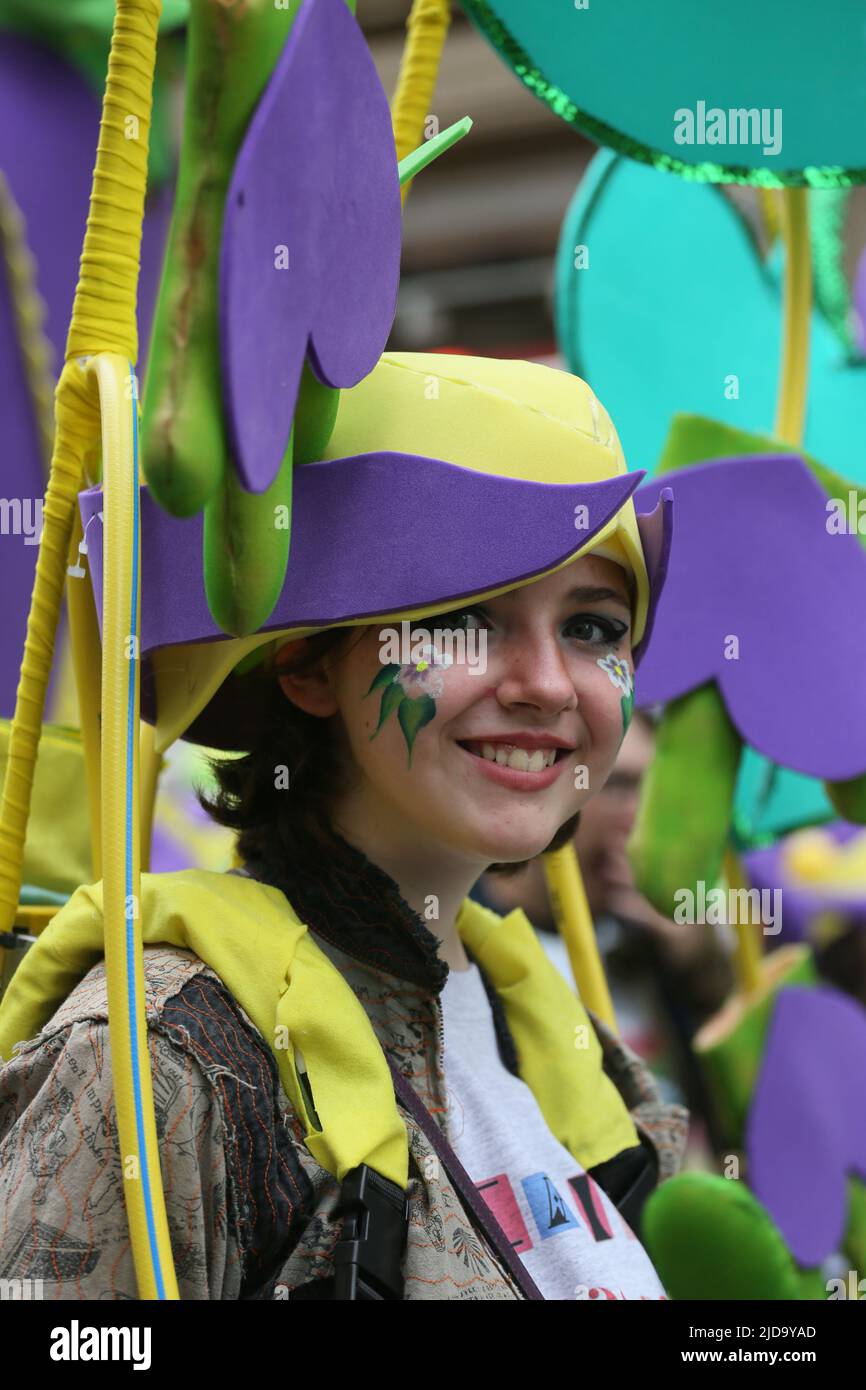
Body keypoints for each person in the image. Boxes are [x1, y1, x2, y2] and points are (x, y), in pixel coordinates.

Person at [0, 353, 686, 1300]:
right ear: (307, 669)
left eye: (595, 627)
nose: (546, 683)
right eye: (461, 618)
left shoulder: (567, 1041)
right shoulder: (161, 1056)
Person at [474, 710, 734, 1119]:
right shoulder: (468, 936)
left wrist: (699, 965)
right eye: (619, 786)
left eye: (655, 792)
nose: (643, 816)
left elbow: (742, 1099)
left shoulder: (657, 932)